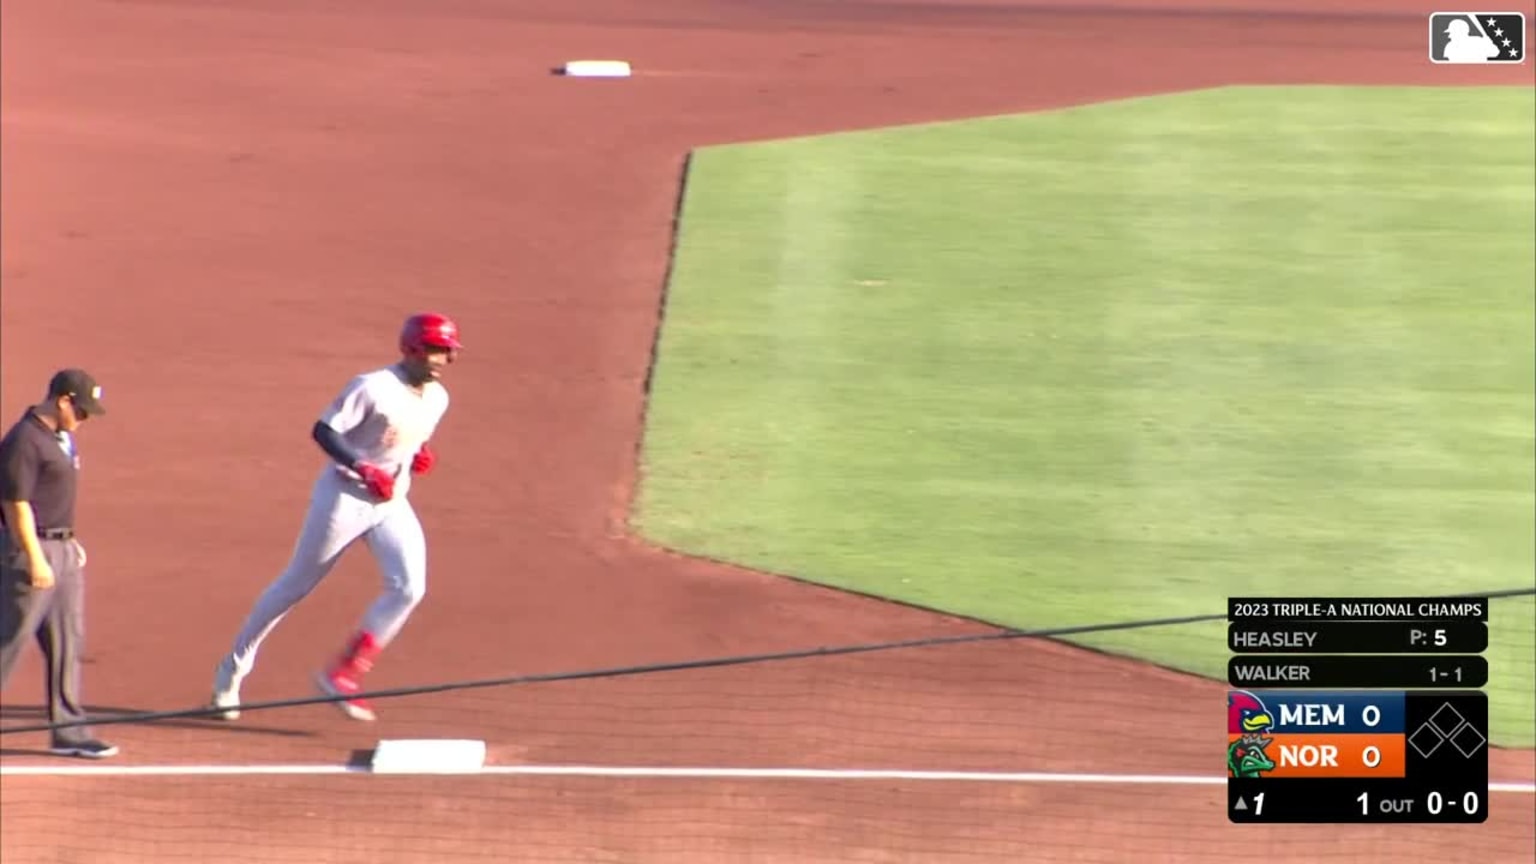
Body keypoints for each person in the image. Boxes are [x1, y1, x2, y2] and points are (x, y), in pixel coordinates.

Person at [210, 313, 461, 722]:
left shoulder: (438, 398)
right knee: (295, 585)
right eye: (434, 350)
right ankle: (232, 669)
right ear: (412, 348)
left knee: (409, 587)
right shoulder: (373, 387)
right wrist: (364, 468)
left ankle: (345, 673)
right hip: (343, 499)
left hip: (391, 502)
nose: (441, 359)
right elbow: (325, 431)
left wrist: (417, 455)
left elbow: (411, 438)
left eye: (446, 352)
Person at [0, 369, 118, 758]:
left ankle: (68, 730)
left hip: (63, 550)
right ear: (62, 400)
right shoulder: (25, 441)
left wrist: (68, 541)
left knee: (68, 641)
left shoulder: (62, 439)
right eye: (81, 411)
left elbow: (53, 498)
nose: (83, 420)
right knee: (9, 640)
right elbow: (15, 504)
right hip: (30, 553)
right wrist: (35, 556)